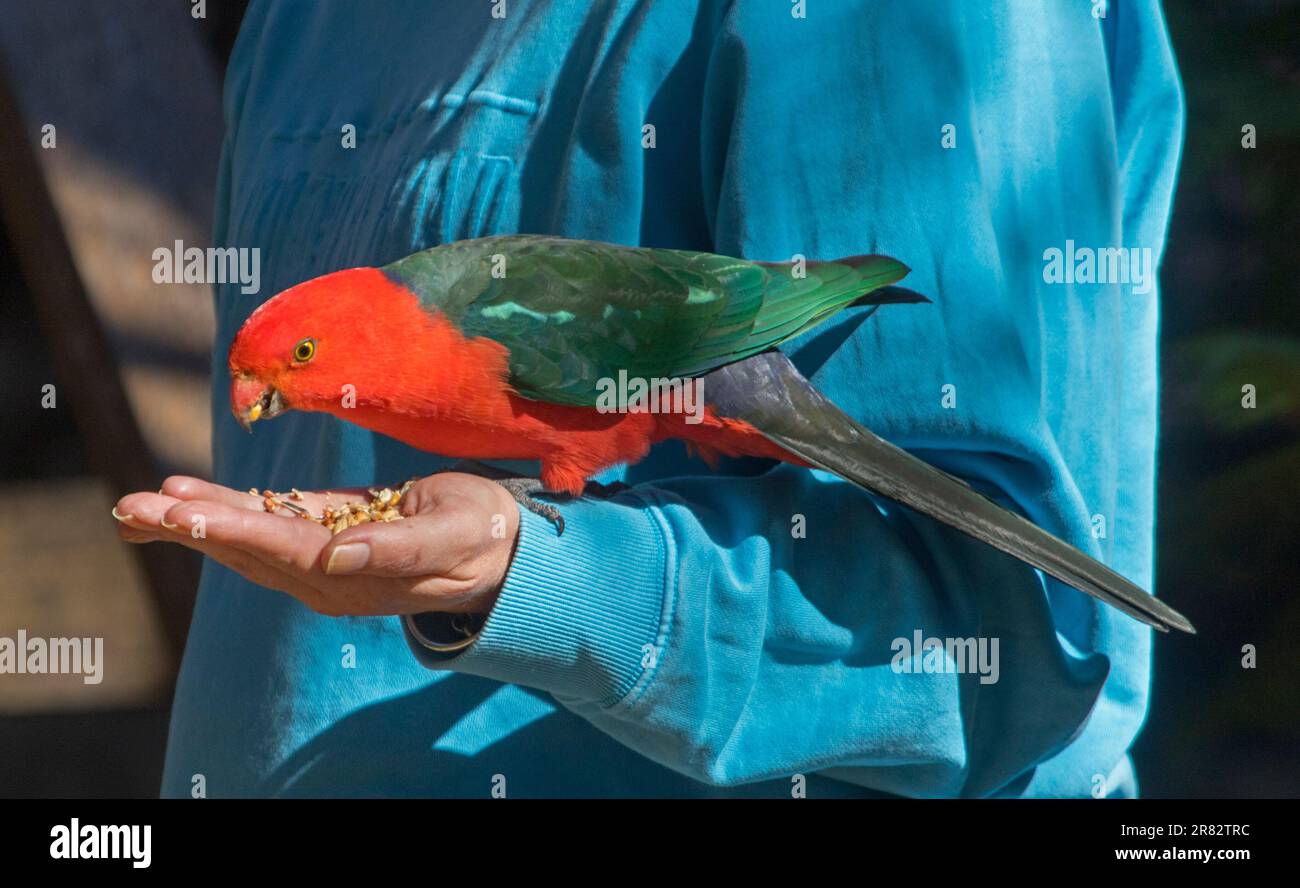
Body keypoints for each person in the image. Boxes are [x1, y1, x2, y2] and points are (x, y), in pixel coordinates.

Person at [115, 0, 1183, 797]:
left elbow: (1007, 647)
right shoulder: (299, 22)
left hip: (714, 374)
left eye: (288, 365)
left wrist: (531, 570)